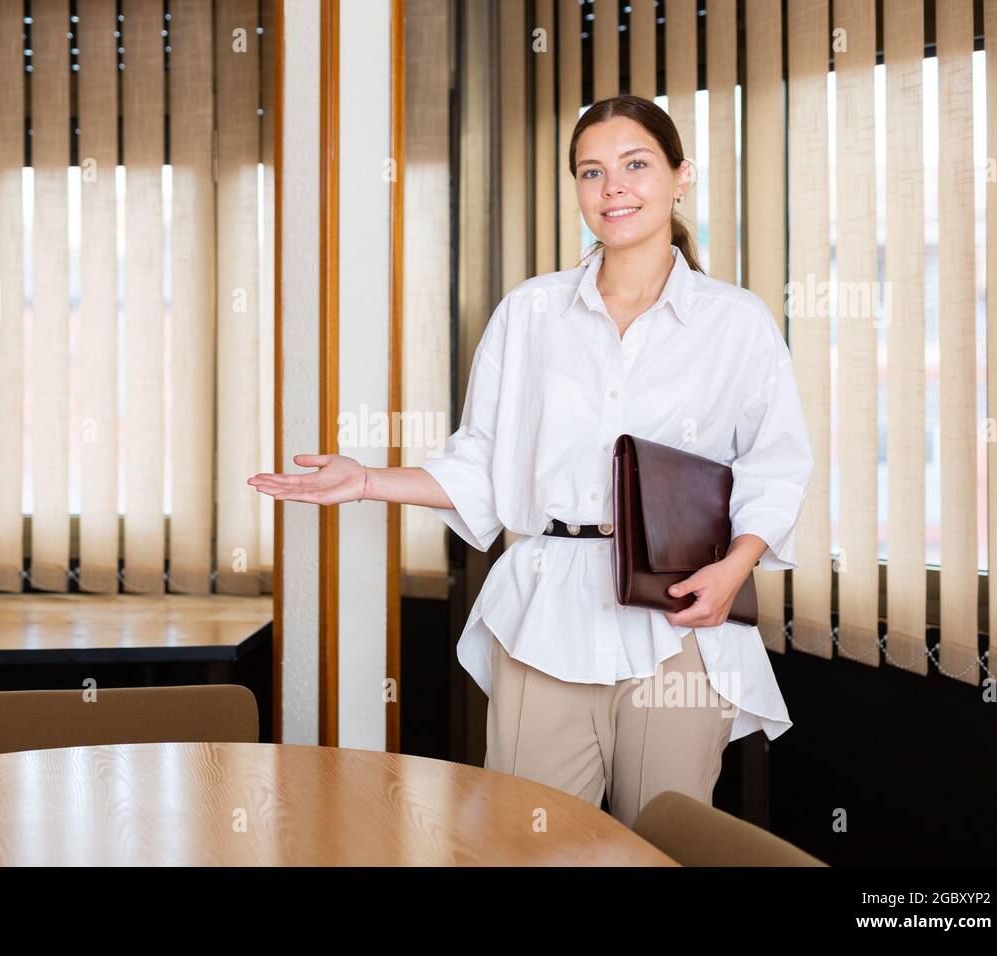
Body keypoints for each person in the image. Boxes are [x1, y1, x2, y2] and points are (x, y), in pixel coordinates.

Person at [247, 95, 813, 829]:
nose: (613, 187)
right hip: (547, 613)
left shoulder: (737, 323)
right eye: (592, 171)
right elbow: (482, 463)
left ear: (681, 178)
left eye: (636, 165)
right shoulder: (529, 314)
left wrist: (736, 569)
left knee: (662, 841)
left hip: (681, 620)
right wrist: (365, 482)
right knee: (525, 841)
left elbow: (776, 466)